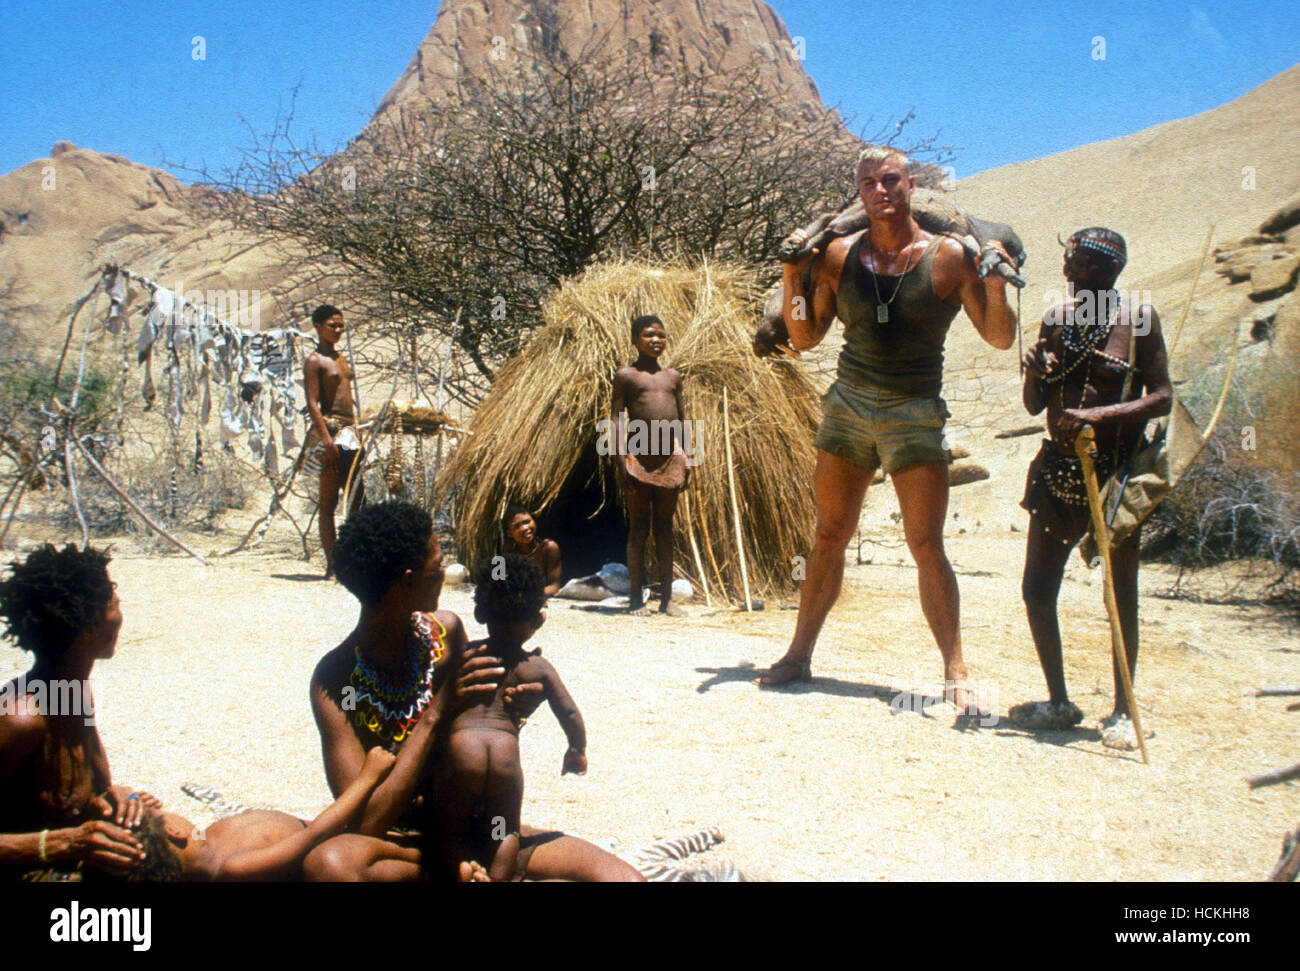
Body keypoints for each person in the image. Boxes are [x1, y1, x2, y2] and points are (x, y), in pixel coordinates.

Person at [755, 146, 1017, 712]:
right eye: (869, 182)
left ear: (910, 184)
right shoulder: (838, 256)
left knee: (925, 544)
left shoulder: (948, 258)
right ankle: (798, 655)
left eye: (891, 179)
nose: (880, 190)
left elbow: (999, 338)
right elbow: (804, 339)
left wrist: (994, 284)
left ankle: (955, 670)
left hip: (914, 410)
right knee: (829, 534)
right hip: (848, 406)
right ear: (859, 191)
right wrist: (791, 270)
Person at [305, 500, 642, 881]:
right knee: (333, 865)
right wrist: (436, 713)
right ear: (407, 580)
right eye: (438, 560)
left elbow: (483, 724)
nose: (444, 569)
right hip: (399, 842)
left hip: (477, 829)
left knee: (624, 879)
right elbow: (364, 823)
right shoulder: (336, 680)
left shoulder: (446, 634)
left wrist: (516, 710)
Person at [1011, 228, 1171, 749]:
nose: (1066, 273)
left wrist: (1098, 415)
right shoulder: (1058, 319)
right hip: (1058, 471)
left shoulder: (1139, 321)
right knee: (1037, 590)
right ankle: (1059, 702)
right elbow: (1035, 406)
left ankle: (1124, 711)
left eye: (1076, 264)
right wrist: (1036, 373)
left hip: (1116, 475)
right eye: (1068, 263)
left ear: (1105, 270)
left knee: (1119, 595)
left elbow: (1163, 397)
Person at [0, 544, 161, 880]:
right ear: (88, 627)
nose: (120, 616)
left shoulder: (68, 692)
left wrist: (120, 798)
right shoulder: (20, 719)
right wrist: (63, 843)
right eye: (115, 606)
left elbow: (96, 788)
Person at [429, 555, 588, 881]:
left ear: (480, 612)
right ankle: (498, 877)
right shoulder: (538, 668)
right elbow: (569, 712)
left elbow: (435, 698)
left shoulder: (466, 656)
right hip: (505, 758)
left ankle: (462, 865)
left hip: (464, 753)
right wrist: (576, 749)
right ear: (539, 620)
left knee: (450, 827)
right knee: (504, 831)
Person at [89, 747, 397, 882]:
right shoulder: (233, 869)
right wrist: (368, 777)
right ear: (175, 832)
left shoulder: (206, 839)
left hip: (321, 827)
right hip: (339, 838)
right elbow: (314, 836)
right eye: (162, 813)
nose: (161, 806)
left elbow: (134, 811)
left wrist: (127, 794)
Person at [610, 314, 691, 616]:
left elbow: (682, 419)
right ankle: (635, 599)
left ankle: (667, 599)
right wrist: (620, 461)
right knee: (639, 527)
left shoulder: (673, 377)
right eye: (648, 334)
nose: (656, 340)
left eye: (661, 335)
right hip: (637, 458)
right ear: (634, 339)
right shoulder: (626, 375)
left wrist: (689, 457)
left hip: (669, 457)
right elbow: (616, 418)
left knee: (665, 527)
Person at [304, 304, 363, 578]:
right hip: (331, 433)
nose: (338, 330)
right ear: (317, 326)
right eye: (332, 326)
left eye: (341, 325)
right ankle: (332, 565)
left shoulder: (342, 358)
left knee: (355, 500)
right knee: (329, 503)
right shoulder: (315, 361)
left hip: (351, 434)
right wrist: (327, 441)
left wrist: (359, 429)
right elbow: (313, 404)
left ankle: (353, 562)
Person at [501, 506, 563, 598]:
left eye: (527, 522)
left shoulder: (549, 548)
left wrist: (527, 596)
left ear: (534, 521)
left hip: (537, 598)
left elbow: (554, 586)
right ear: (509, 533)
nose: (525, 528)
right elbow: (497, 579)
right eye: (517, 526)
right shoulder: (508, 549)